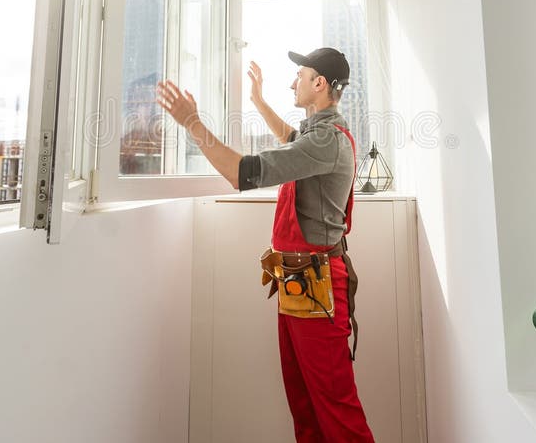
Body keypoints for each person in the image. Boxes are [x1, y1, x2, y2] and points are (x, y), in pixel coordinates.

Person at [156, 47, 374, 443]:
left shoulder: (325, 141)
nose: (294, 82)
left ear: (319, 84)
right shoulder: (315, 136)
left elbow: (242, 173)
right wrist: (257, 101)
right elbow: (287, 137)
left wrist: (192, 123)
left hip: (318, 288)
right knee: (304, 402)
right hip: (298, 283)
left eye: (300, 76)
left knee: (336, 408)